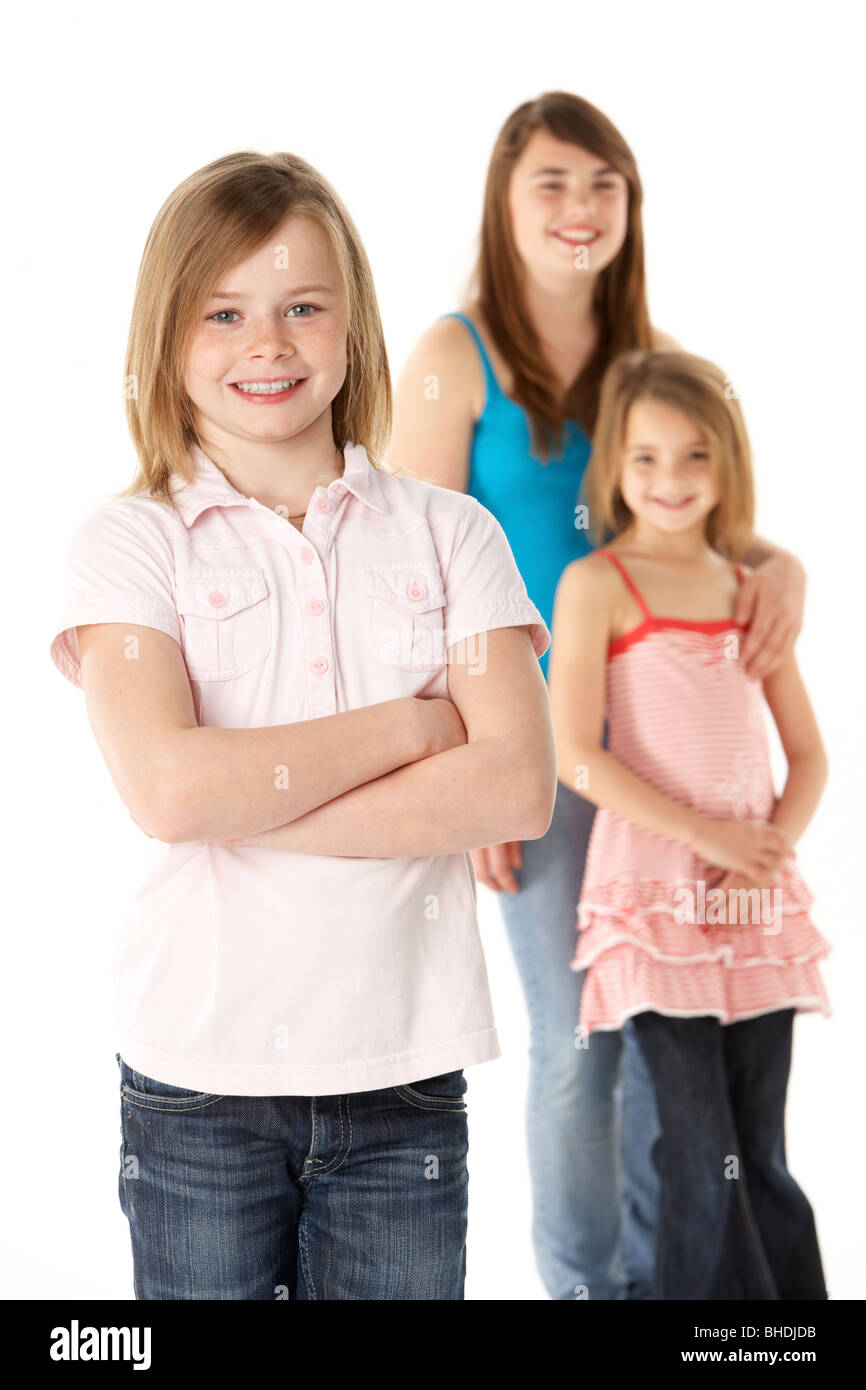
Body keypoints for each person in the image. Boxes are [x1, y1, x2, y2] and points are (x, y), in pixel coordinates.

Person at [48, 150, 557, 1300]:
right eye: (223, 312)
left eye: (301, 308)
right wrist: (415, 728)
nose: (265, 343)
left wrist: (246, 798)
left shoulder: (451, 533)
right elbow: (169, 796)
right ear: (167, 337)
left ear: (350, 328)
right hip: (197, 1078)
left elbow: (515, 788)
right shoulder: (130, 542)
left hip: (406, 1077)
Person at [390, 90, 808, 1300]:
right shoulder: (449, 359)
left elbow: (694, 521)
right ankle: (581, 1290)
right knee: (575, 1046)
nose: (579, 210)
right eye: (551, 184)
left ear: (630, 207)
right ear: (503, 203)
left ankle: (661, 1287)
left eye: (602, 186)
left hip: (664, 757)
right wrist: (467, 782)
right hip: (538, 757)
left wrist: (779, 561)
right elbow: (409, 581)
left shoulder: (650, 364)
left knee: (656, 1034)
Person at [549, 346, 830, 1300]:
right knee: (697, 1147)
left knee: (760, 1149)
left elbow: (812, 757)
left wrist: (765, 857)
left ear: (729, 463)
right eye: (646, 459)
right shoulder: (598, 585)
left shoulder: (744, 590)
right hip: (655, 905)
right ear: (615, 470)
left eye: (696, 456)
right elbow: (574, 754)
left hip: (754, 909)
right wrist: (710, 840)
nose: (671, 481)